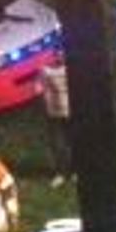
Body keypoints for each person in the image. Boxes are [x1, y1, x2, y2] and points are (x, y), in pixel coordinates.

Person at [39, 56, 72, 187]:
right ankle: (61, 173)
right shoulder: (46, 72)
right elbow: (43, 91)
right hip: (54, 113)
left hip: (69, 111)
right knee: (58, 144)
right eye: (57, 54)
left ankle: (74, 171)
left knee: (72, 142)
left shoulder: (69, 70)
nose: (60, 57)